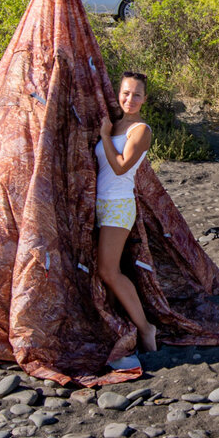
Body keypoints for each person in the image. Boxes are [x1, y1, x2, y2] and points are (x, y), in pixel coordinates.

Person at [95, 71, 159, 352]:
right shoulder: (114, 123)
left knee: (108, 271)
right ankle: (114, 327)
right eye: (125, 93)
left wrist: (104, 137)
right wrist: (107, 132)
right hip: (99, 203)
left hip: (119, 205)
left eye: (136, 94)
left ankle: (146, 329)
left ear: (144, 99)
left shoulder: (140, 130)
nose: (129, 99)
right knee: (107, 271)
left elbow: (121, 166)